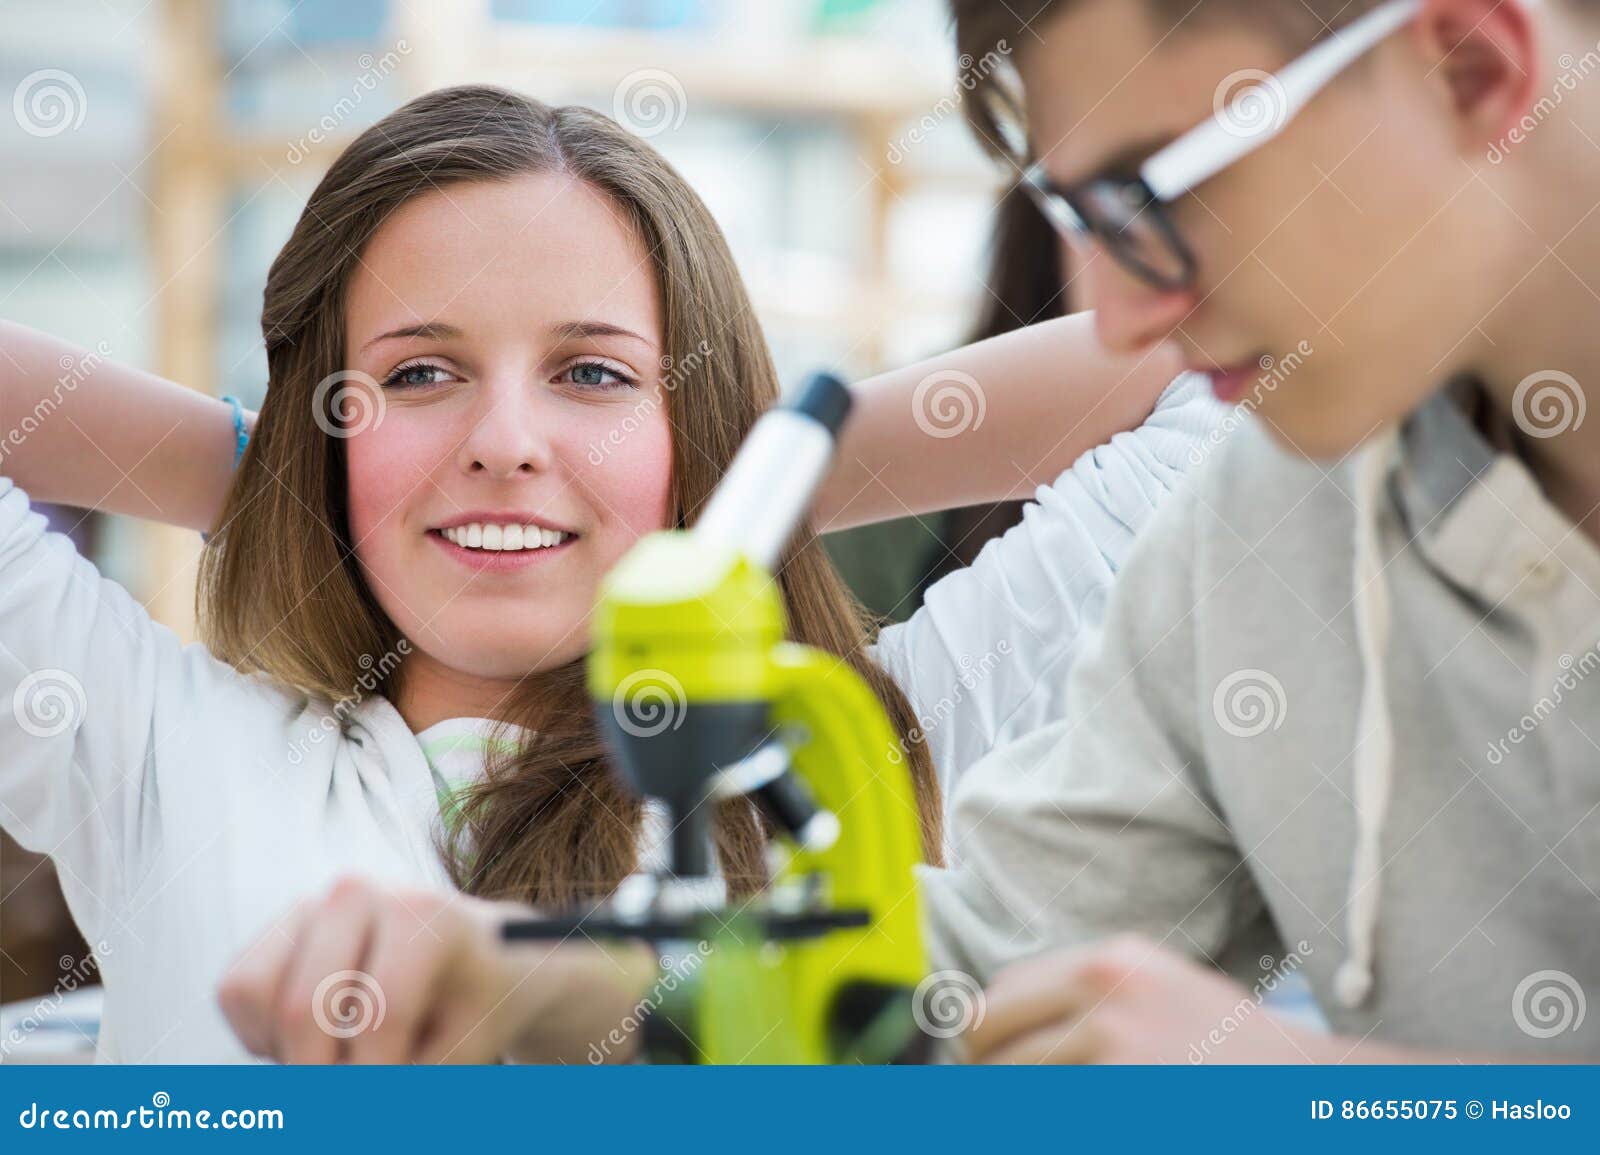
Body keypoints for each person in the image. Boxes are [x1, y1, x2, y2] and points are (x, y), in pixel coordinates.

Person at [218, 0, 1600, 1065]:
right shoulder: (1260, 537)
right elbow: (969, 959)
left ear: (1471, 67)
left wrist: (1318, 1102)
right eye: (1073, 215)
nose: (1118, 320)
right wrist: (544, 972)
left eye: (1155, 197)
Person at [0, 82, 1222, 1060]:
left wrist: (740, 492)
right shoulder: (158, 747)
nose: (504, 442)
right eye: (420, 374)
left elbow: (1243, 355)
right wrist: (274, 488)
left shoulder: (877, 735)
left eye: (593, 375)